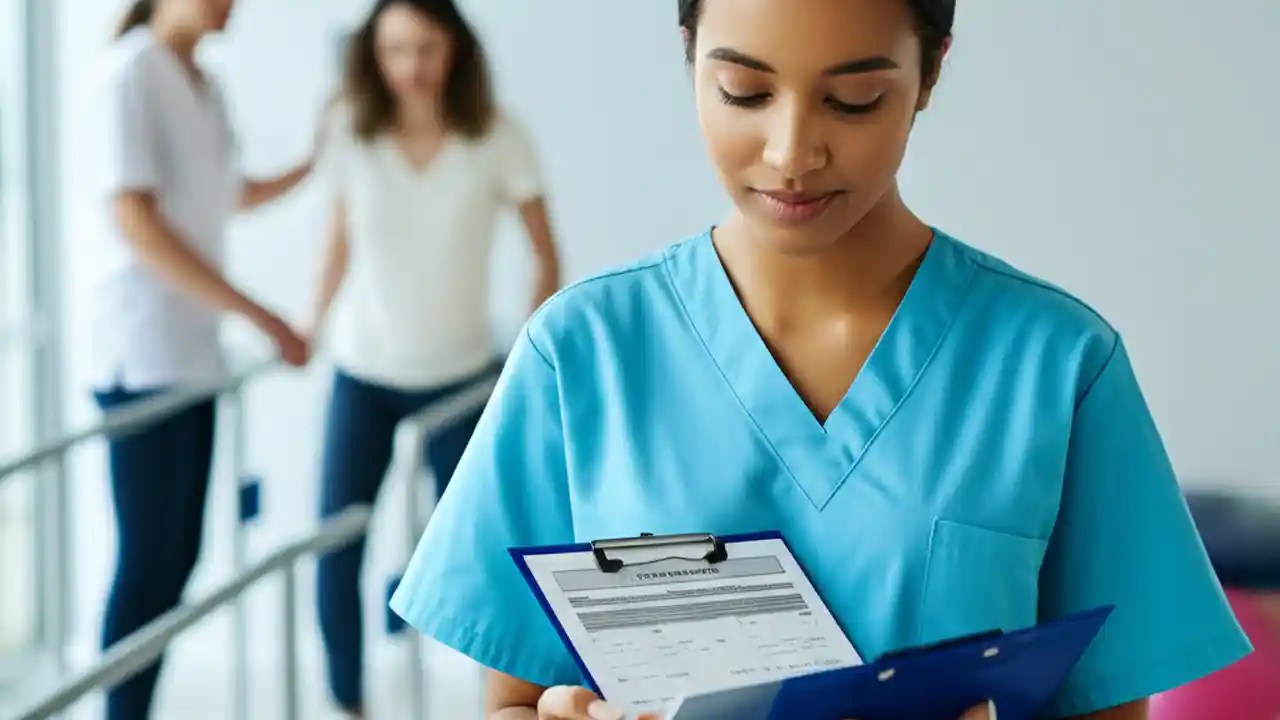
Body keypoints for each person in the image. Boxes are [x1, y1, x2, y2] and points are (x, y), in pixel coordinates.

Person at [390, 0, 1252, 718]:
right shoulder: (579, 357)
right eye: (743, 90)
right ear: (689, 56)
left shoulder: (1059, 366)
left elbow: (1109, 706)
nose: (791, 154)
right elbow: (510, 699)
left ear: (931, 72)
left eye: (854, 101)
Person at [305, 1, 560, 716]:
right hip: (364, 376)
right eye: (394, 50)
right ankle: (346, 703)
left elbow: (546, 258)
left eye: (426, 48)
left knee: (492, 557)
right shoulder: (352, 135)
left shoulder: (497, 137)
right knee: (336, 547)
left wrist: (528, 363)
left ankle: (505, 701)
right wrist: (307, 326)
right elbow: (337, 241)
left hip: (461, 381)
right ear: (373, 58)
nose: (412, 67)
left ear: (455, 52)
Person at [89, 0, 312, 717]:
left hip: (194, 359)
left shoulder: (204, 84)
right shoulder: (127, 74)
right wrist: (260, 314)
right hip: (141, 357)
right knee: (147, 564)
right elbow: (135, 220)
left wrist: (314, 161)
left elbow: (225, 194)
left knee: (175, 563)